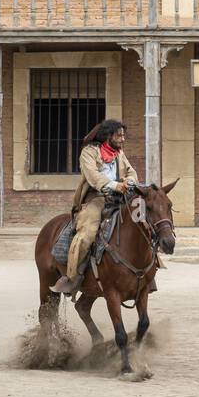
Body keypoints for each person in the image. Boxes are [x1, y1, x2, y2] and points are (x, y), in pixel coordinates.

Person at [52, 119, 138, 295]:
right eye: (119, 135)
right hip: (96, 198)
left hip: (121, 197)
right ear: (108, 136)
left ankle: (148, 273)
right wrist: (115, 185)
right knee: (87, 234)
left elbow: (131, 173)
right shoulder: (88, 153)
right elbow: (92, 176)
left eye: (123, 135)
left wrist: (128, 183)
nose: (123, 139)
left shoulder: (119, 153)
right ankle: (71, 277)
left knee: (143, 220)